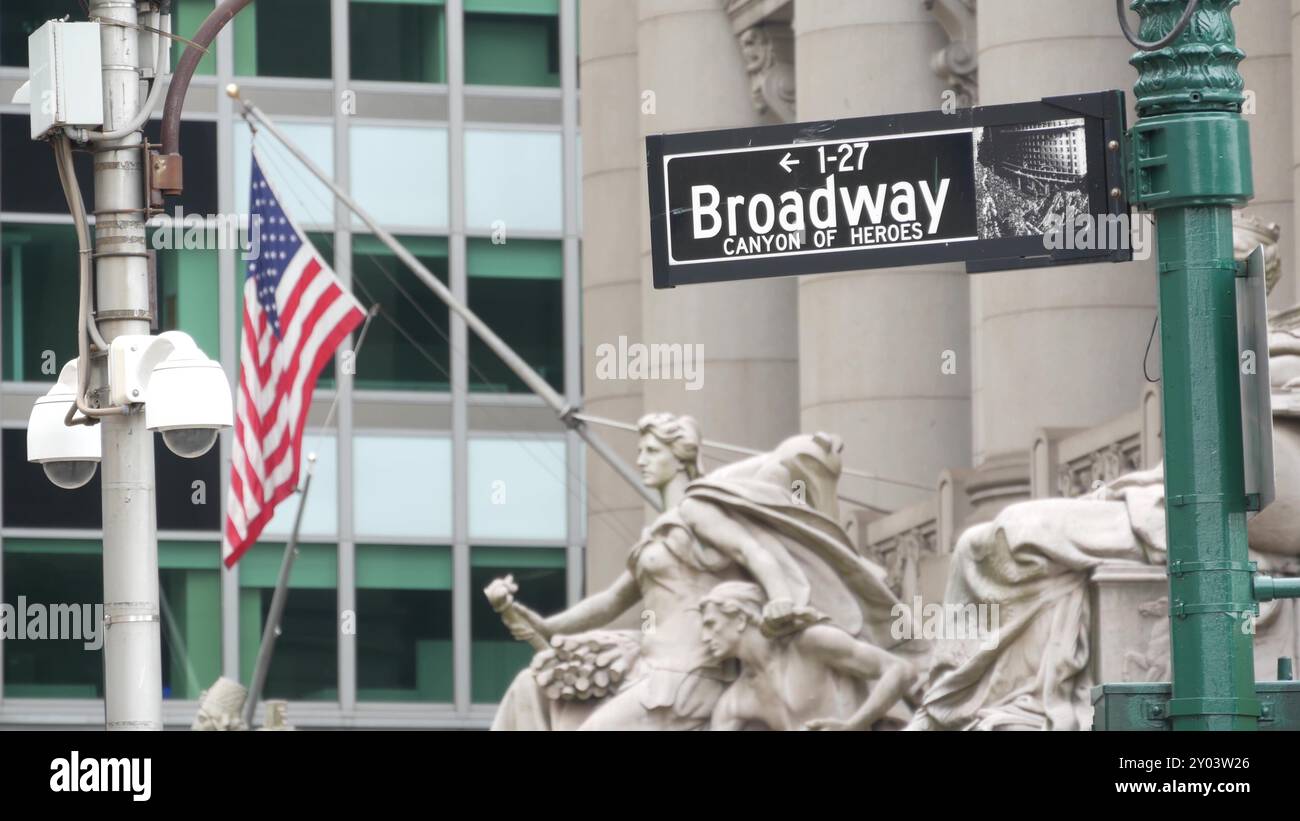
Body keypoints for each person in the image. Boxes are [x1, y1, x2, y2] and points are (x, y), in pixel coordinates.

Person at [487, 415, 902, 730]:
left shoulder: (697, 509)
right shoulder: (659, 532)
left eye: (651, 450)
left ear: (680, 455)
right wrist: (538, 620)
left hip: (684, 677)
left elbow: (753, 551)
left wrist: (780, 600)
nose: (640, 459)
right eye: (640, 451)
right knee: (532, 689)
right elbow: (611, 602)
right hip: (643, 669)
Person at [698, 581, 917, 731]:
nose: (704, 637)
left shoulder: (810, 644)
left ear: (740, 619)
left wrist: (853, 725)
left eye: (711, 624)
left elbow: (902, 670)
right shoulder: (735, 701)